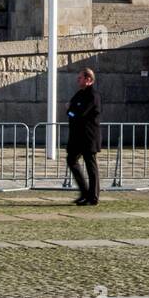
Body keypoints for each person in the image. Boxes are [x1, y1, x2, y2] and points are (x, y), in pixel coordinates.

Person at [66, 66, 101, 206]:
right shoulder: (79, 94)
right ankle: (85, 192)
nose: (77, 80)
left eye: (80, 77)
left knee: (91, 166)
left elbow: (78, 113)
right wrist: (71, 111)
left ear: (88, 79)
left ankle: (93, 196)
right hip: (77, 137)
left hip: (88, 137)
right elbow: (72, 111)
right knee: (71, 159)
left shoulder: (93, 95)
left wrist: (70, 111)